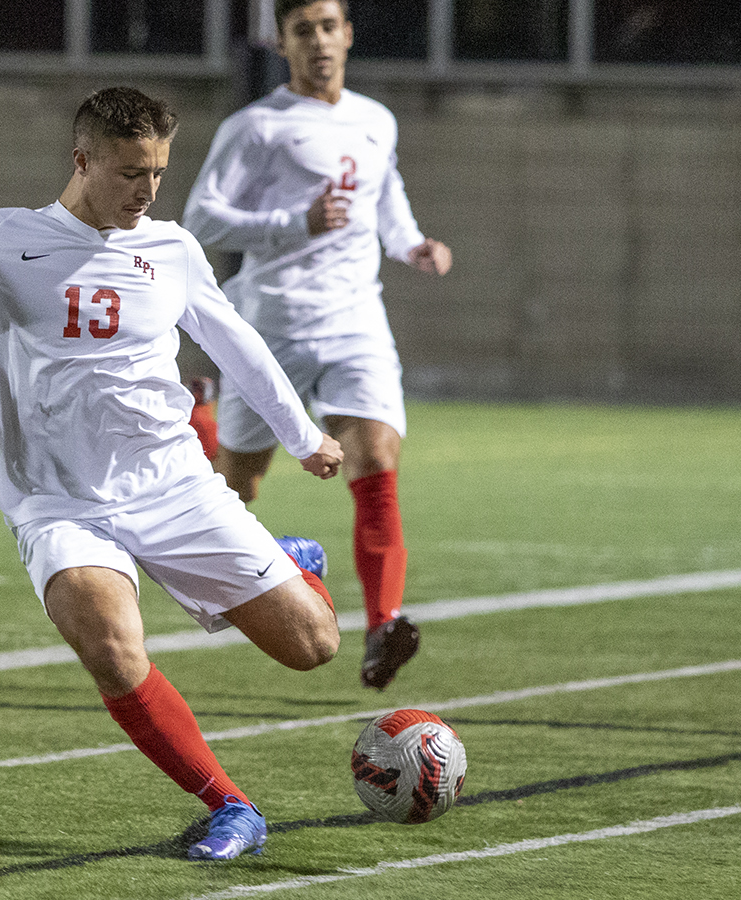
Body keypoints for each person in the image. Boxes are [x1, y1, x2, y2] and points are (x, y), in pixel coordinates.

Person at [0, 87, 343, 861]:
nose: (147, 190)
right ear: (82, 160)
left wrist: (302, 439)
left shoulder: (172, 250)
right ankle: (231, 807)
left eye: (158, 172)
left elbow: (237, 345)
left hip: (174, 487)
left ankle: (287, 562)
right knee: (110, 647)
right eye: (131, 172)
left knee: (314, 645)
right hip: (58, 504)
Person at [183, 0, 452, 691]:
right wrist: (293, 222)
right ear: (282, 43)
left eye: (329, 27)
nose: (319, 41)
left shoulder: (375, 119)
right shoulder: (257, 126)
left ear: (348, 34)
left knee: (377, 458)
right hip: (271, 324)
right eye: (303, 30)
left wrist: (411, 244)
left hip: (357, 319)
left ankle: (383, 624)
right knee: (236, 490)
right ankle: (203, 421)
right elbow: (201, 219)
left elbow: (384, 195)